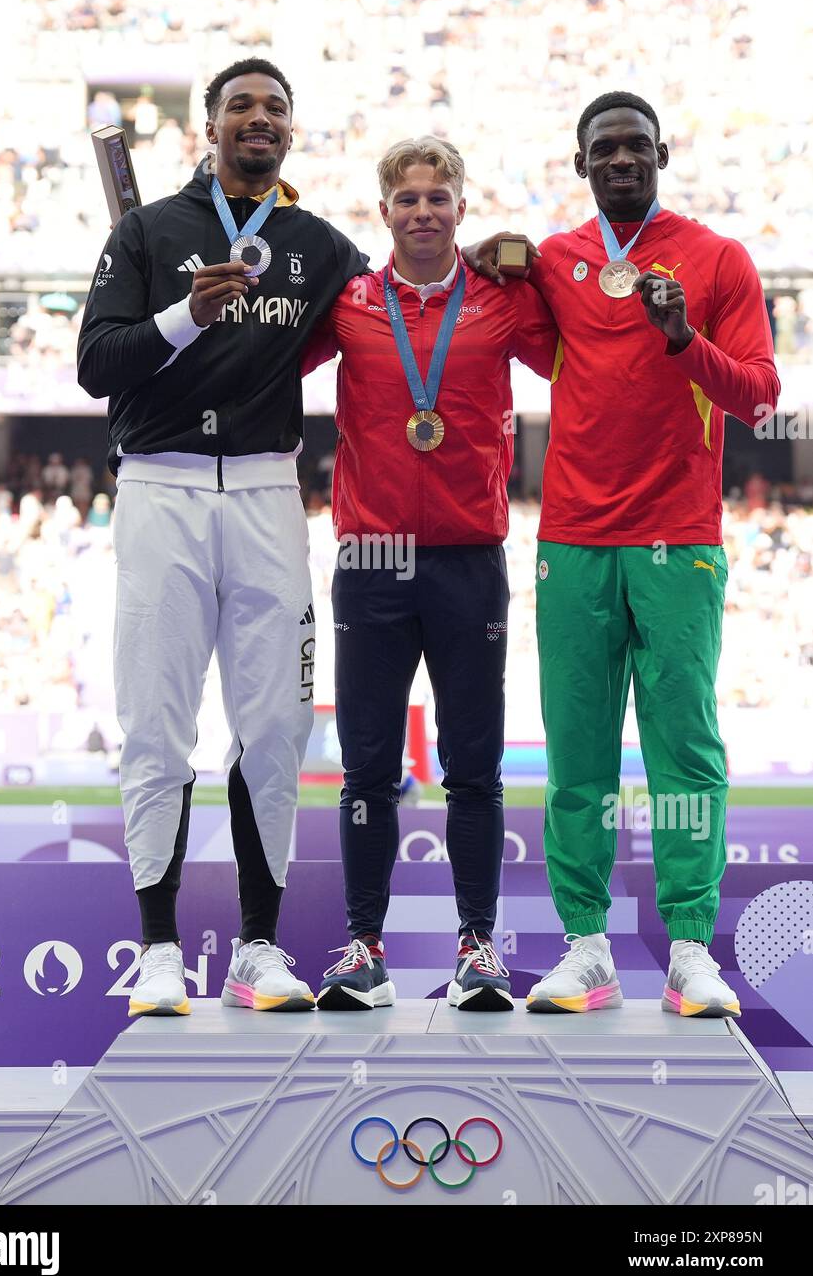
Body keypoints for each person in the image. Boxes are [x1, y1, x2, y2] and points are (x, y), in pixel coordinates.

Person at [466, 91, 780, 1018]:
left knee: (684, 748)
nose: (618, 160)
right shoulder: (559, 262)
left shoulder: (717, 260)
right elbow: (512, 341)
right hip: (571, 537)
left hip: (677, 538)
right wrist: (487, 267)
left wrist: (683, 339)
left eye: (634, 146)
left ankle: (689, 948)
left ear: (662, 154)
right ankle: (586, 946)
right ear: (579, 165)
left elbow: (761, 400)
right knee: (576, 753)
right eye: (601, 148)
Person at [77, 57, 370, 1017]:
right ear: (209, 125)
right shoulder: (149, 230)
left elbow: (391, 313)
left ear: (290, 131)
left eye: (275, 108)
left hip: (264, 492)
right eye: (240, 105)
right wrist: (182, 314)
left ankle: (257, 949)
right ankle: (158, 950)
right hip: (159, 488)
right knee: (157, 725)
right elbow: (94, 365)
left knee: (277, 726)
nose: (259, 119)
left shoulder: (315, 245)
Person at [301, 137, 558, 1011]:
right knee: (368, 768)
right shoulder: (346, 305)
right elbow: (260, 362)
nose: (422, 211)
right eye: (405, 198)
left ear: (460, 207)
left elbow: (583, 355)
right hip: (369, 560)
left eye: (437, 196)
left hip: (466, 559)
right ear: (382, 213)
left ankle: (478, 950)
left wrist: (527, 255)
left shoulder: (501, 301)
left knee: (473, 766)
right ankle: (362, 950)